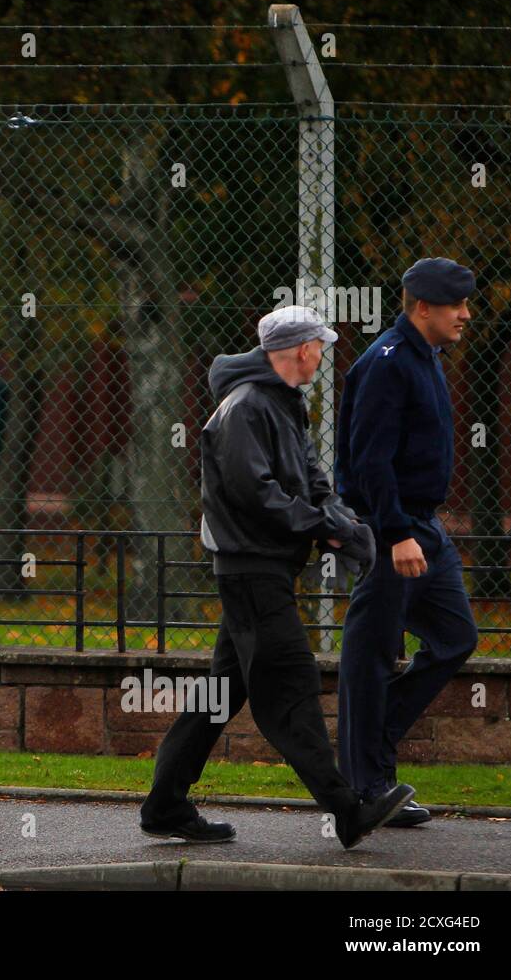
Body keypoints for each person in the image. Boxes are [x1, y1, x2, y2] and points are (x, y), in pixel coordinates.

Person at [140, 306, 413, 849]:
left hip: (262, 569)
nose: (323, 353)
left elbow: (312, 480)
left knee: (218, 694)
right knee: (290, 690)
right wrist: (323, 527)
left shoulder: (282, 406)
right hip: (251, 571)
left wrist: (341, 523)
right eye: (319, 344)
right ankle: (347, 809)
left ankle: (165, 804)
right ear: (299, 348)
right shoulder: (244, 409)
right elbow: (257, 495)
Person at [336, 258, 479, 826]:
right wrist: (393, 533)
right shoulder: (389, 363)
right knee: (370, 655)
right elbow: (369, 458)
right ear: (423, 307)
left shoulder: (425, 358)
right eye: (456, 305)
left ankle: (375, 747)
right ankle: (366, 788)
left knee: (454, 636)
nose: (466, 314)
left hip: (425, 526)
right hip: (391, 528)